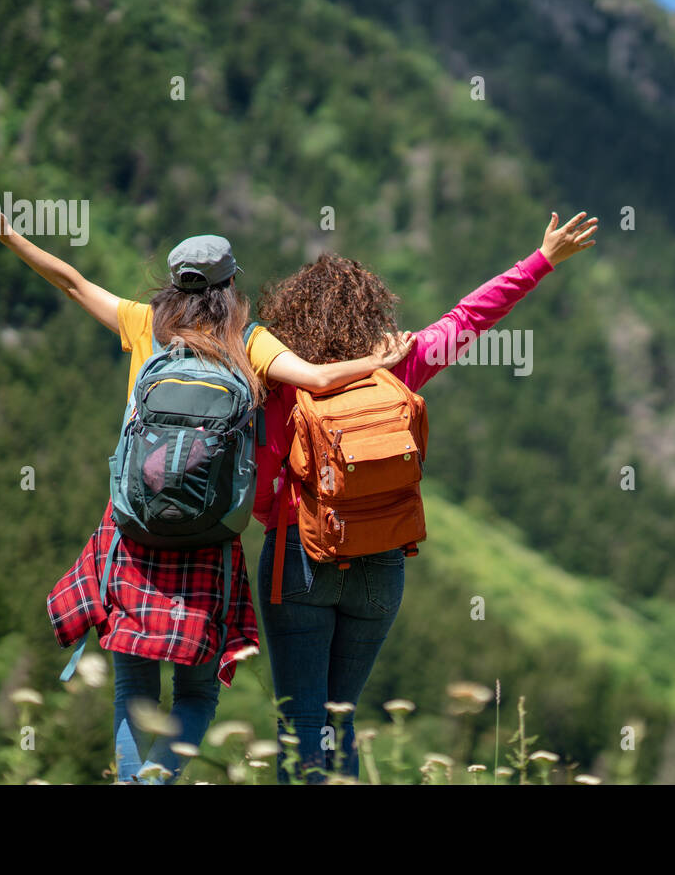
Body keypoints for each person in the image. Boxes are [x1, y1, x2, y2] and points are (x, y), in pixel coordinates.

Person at [0, 188, 414, 783]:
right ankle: (155, 778)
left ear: (174, 285)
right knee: (196, 695)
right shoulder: (248, 342)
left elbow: (69, 282)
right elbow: (320, 380)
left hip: (132, 534)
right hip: (209, 542)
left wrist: (6, 234)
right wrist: (377, 363)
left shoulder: (147, 324)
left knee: (131, 685)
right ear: (229, 288)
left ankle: (131, 781)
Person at [253, 210, 598, 782]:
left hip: (300, 558)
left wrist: (278, 519)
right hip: (382, 563)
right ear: (372, 311)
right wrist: (541, 261)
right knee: (341, 718)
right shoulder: (397, 367)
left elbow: (263, 478)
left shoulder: (281, 380)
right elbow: (469, 318)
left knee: (303, 719)